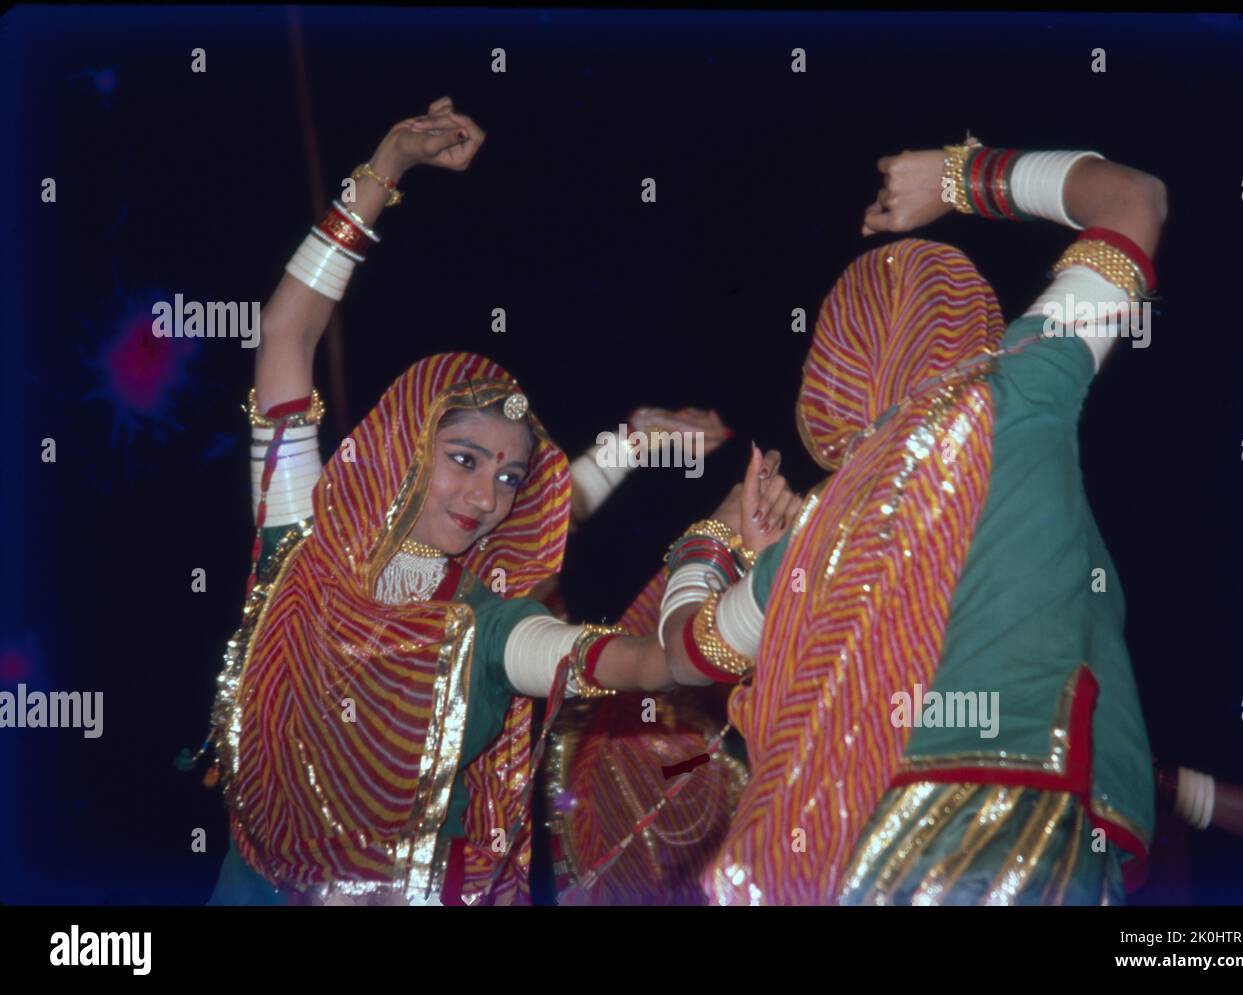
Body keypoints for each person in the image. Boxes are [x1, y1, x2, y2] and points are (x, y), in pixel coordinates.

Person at [189, 97, 796, 906]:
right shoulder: (301, 544)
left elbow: (660, 660)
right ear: (411, 449)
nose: (486, 497)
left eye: (509, 478)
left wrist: (720, 547)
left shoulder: (494, 627)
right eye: (465, 459)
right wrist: (387, 168)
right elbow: (286, 336)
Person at [655, 136, 1169, 904]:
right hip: (1016, 823)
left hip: (850, 858)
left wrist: (721, 534)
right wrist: (961, 178)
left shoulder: (815, 539)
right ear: (971, 326)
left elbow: (683, 654)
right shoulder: (1011, 392)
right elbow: (1134, 199)